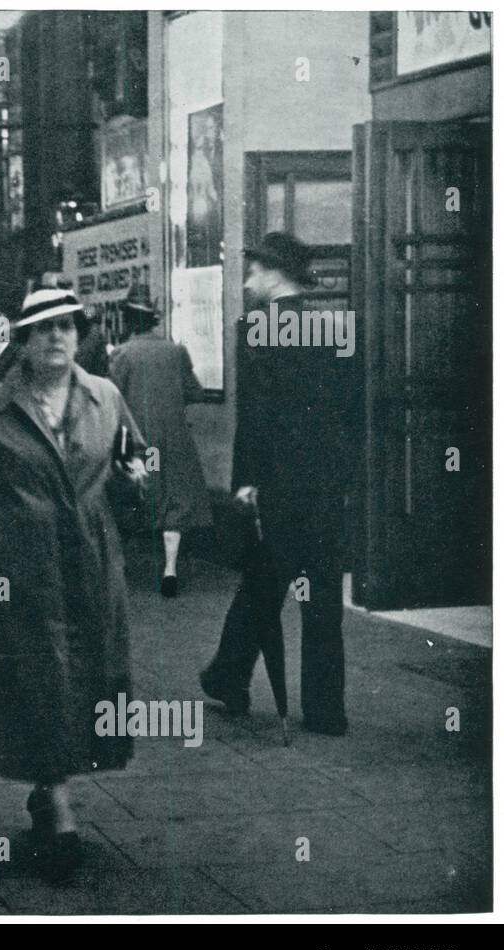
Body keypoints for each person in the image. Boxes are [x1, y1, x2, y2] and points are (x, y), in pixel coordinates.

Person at [0, 287, 146, 882]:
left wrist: (138, 474)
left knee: (86, 672)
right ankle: (56, 801)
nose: (58, 337)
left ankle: (52, 787)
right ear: (24, 342)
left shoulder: (105, 396)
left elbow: (137, 458)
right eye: (44, 330)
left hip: (90, 560)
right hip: (21, 566)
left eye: (67, 326)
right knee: (39, 672)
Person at [199, 232, 350, 735]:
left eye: (253, 271)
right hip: (324, 483)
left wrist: (246, 482)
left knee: (264, 583)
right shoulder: (332, 328)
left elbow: (257, 415)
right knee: (322, 595)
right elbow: (345, 410)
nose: (247, 281)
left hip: (279, 484)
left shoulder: (258, 328)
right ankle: (327, 710)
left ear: (273, 272)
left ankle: (228, 674)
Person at [109, 282, 212, 597]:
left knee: (131, 496)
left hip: (140, 441)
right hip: (174, 439)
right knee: (175, 500)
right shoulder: (176, 350)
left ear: (128, 320)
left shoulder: (121, 354)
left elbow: (111, 397)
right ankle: (169, 569)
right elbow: (195, 391)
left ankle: (123, 568)